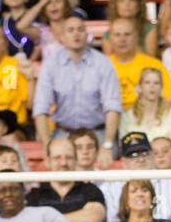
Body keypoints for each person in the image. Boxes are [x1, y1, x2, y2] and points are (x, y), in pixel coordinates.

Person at [33, 13, 121, 153]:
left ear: (87, 36)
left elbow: (113, 107)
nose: (76, 34)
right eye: (70, 30)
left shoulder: (103, 63)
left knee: (106, 164)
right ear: (62, 37)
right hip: (64, 133)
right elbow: (41, 109)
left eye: (80, 30)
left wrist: (107, 145)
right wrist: (47, 146)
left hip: (97, 133)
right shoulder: (51, 65)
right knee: (56, 161)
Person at [25, 135, 106, 222]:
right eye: (57, 158)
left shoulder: (90, 190)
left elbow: (93, 219)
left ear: (75, 161)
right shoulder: (35, 194)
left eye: (69, 157)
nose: (63, 163)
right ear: (47, 161)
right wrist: (78, 219)